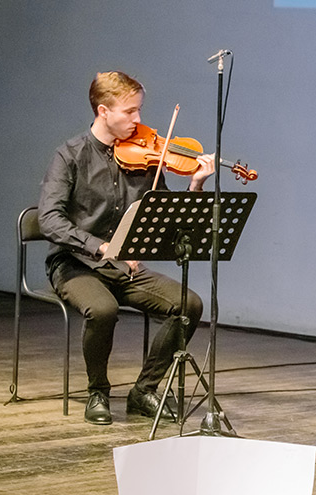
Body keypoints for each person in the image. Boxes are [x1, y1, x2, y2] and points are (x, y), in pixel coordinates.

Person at [38, 71, 214, 425]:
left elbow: (167, 215)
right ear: (103, 111)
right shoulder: (70, 155)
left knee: (188, 304)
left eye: (139, 111)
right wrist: (100, 246)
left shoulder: (146, 157)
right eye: (130, 112)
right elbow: (49, 220)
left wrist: (195, 185)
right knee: (102, 310)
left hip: (125, 266)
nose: (138, 120)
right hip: (75, 264)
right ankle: (98, 392)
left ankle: (144, 390)